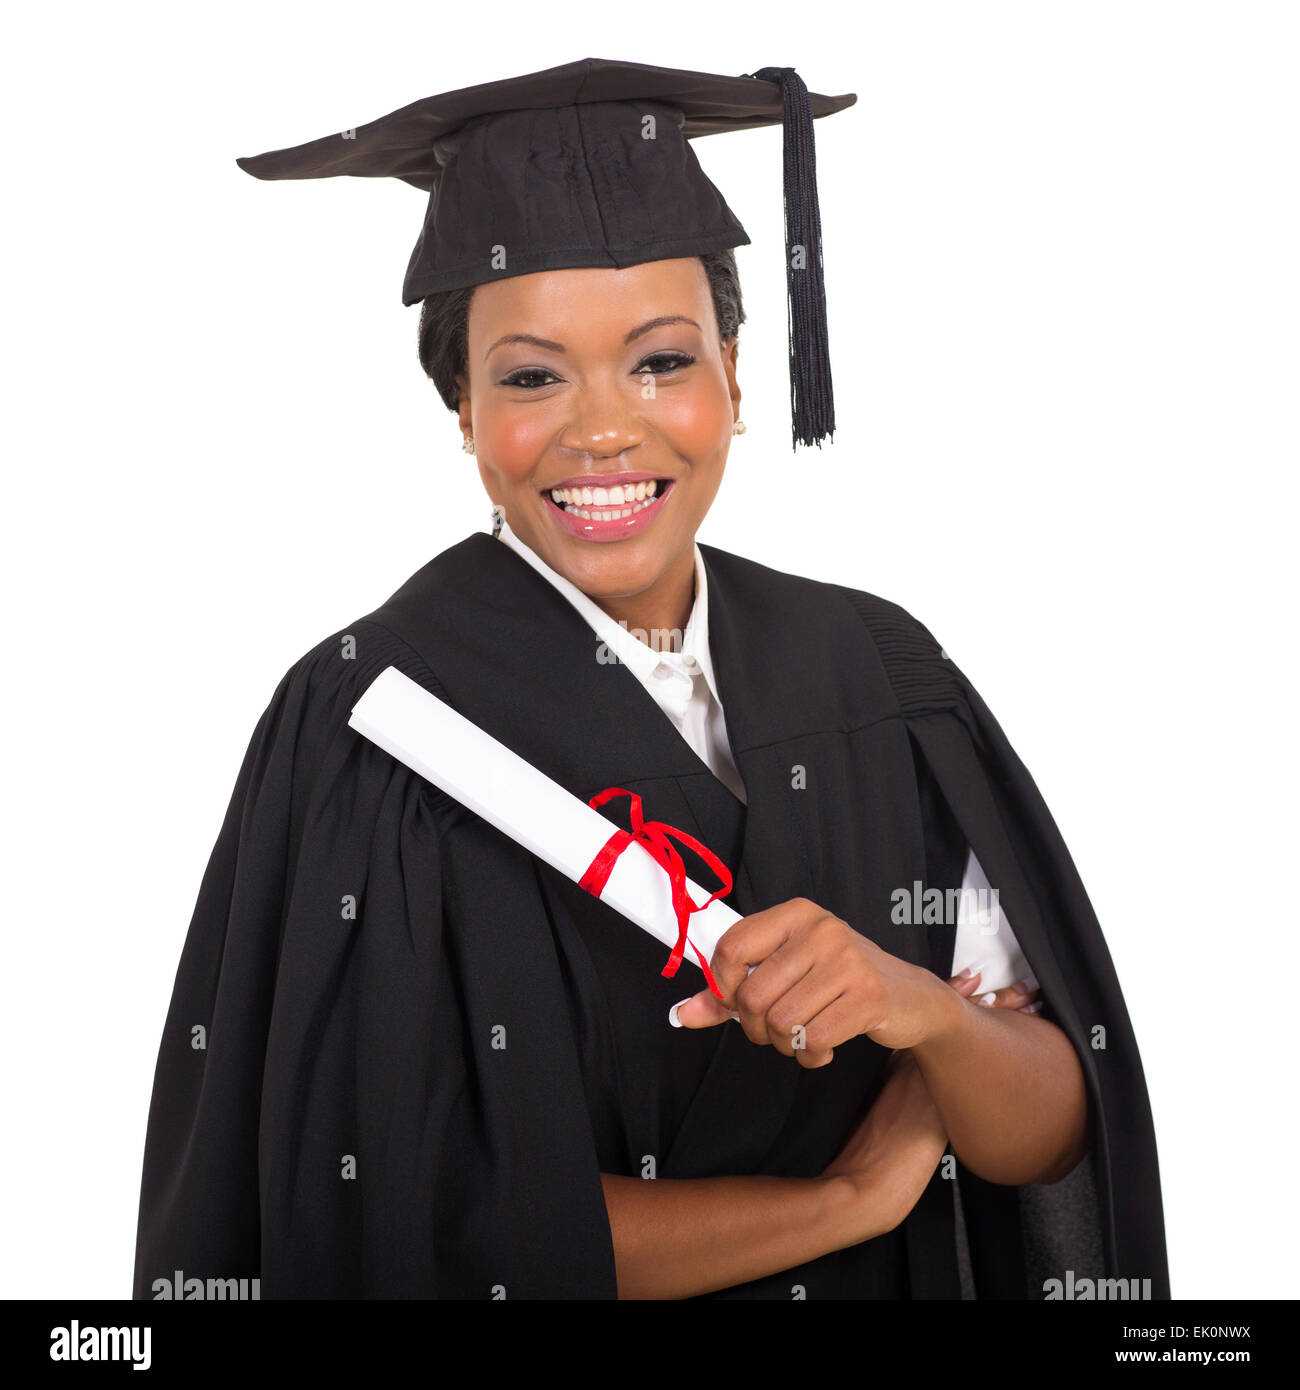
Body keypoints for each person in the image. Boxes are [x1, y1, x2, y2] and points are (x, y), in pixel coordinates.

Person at [132, 57, 1168, 1300]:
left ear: (735, 374)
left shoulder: (879, 677)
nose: (604, 427)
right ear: (460, 408)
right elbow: (426, 1234)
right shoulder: (374, 727)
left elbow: (1051, 1125)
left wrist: (928, 1015)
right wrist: (844, 1200)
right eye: (529, 375)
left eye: (660, 360)